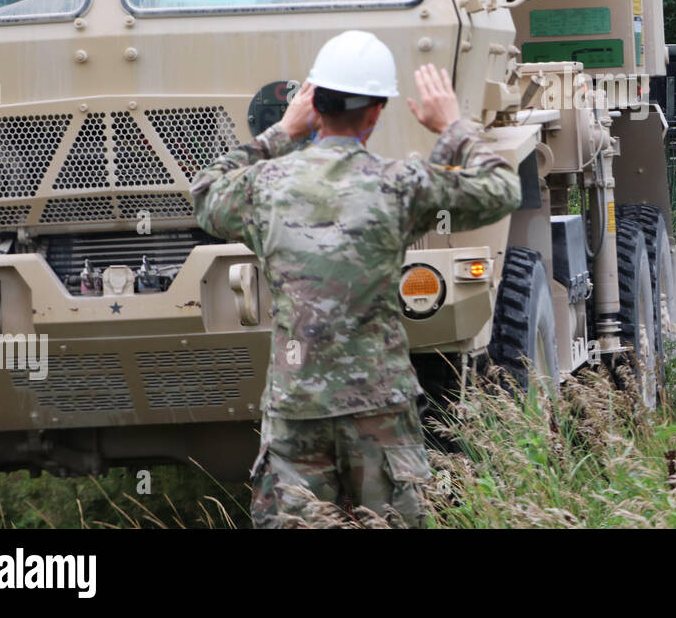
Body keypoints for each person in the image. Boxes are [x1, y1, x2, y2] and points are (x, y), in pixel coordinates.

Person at [191, 30, 520, 527]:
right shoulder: (400, 185)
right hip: (379, 403)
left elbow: (204, 193)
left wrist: (281, 130)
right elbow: (500, 188)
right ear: (376, 113)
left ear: (314, 106)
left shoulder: (264, 186)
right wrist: (451, 125)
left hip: (296, 401)